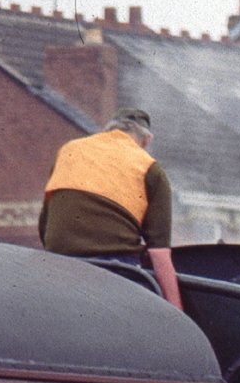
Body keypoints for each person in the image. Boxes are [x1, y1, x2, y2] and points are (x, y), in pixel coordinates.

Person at [39, 107, 182, 309]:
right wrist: (177, 312)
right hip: (115, 268)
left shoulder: (69, 150)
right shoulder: (150, 168)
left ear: (107, 131)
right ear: (147, 140)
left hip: (58, 263)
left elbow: (45, 226)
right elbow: (159, 254)